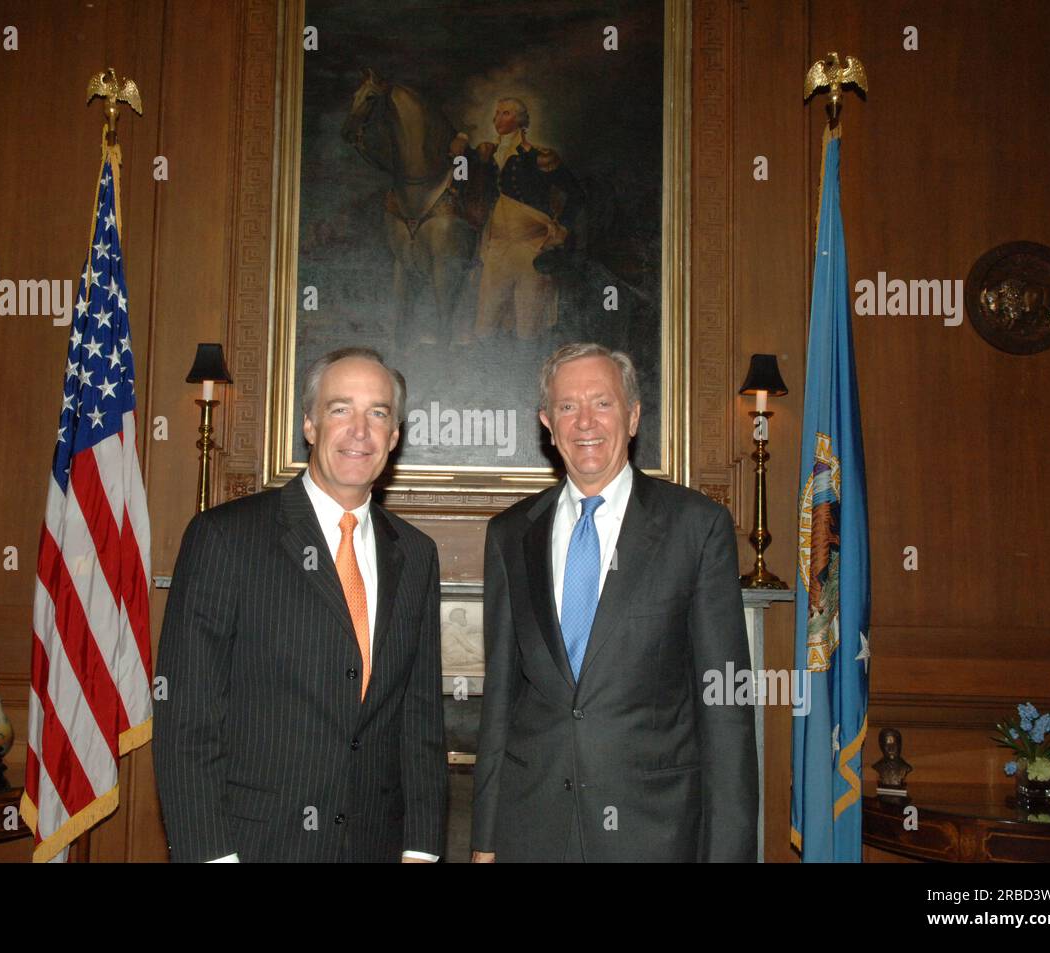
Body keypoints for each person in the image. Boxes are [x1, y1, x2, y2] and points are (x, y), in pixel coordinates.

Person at [153, 347, 446, 862]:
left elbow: (418, 719)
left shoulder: (416, 554)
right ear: (310, 425)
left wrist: (421, 850)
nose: (360, 430)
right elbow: (186, 718)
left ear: (395, 436)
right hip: (254, 847)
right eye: (340, 409)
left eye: (378, 413)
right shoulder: (225, 537)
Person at [471, 342, 757, 862]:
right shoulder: (511, 534)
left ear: (633, 417)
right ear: (547, 424)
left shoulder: (695, 527)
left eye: (602, 403)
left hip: (655, 831)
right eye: (566, 406)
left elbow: (726, 707)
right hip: (532, 829)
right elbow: (500, 700)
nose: (585, 422)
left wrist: (729, 853)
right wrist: (485, 839)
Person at [459, 97, 584, 341]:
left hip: (532, 246)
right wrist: (462, 142)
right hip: (497, 246)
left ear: (520, 120)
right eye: (496, 113)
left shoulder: (540, 157)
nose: (498, 118)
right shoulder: (486, 154)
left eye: (505, 113)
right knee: (486, 322)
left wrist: (562, 230)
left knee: (529, 323)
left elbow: (577, 194)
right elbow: (463, 182)